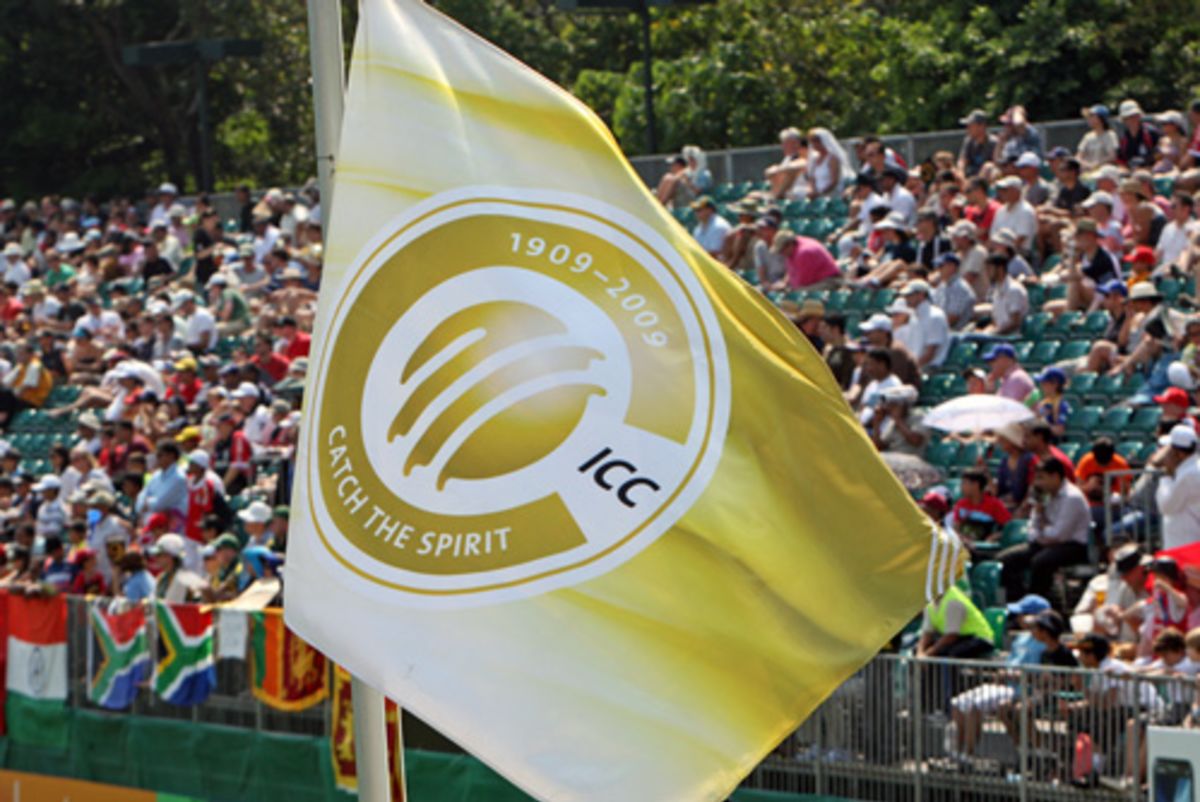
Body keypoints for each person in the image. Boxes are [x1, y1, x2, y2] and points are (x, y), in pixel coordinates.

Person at [999, 458, 1090, 599]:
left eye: (1042, 478)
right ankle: (1015, 598)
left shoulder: (1072, 497)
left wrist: (1042, 527)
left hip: (1072, 546)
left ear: (1055, 477)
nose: (1038, 483)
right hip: (1045, 542)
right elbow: (1032, 527)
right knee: (1007, 559)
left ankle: (1036, 601)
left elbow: (1059, 534)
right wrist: (1039, 533)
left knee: (1041, 561)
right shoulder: (1042, 495)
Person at [1074, 543, 1149, 643]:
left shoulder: (1154, 588)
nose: (1123, 578)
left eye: (1126, 573)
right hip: (1124, 645)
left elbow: (1150, 632)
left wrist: (1124, 615)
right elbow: (1113, 626)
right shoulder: (1125, 587)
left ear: (1139, 569)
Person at [917, 582, 995, 659]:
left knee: (951, 652)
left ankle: (949, 672)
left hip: (980, 639)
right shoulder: (929, 604)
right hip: (959, 639)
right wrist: (919, 653)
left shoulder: (953, 601)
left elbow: (951, 636)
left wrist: (927, 654)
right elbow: (927, 633)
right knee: (917, 649)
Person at [1154, 424, 1200, 550]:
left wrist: (1167, 475)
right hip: (1186, 543)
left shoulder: (1189, 474)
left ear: (1178, 453)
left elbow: (1166, 506)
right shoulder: (1190, 470)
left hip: (1186, 545)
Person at [951, 468, 1012, 549]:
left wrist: (995, 536)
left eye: (964, 483)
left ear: (976, 485)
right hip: (963, 545)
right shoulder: (961, 504)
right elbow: (956, 528)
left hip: (982, 548)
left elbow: (1010, 528)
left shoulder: (994, 504)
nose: (961, 487)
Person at [898, 279, 950, 368]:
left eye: (910, 295)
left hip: (931, 368)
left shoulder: (935, 316)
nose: (906, 298)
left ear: (921, 295)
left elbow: (930, 353)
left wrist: (912, 369)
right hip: (917, 366)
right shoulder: (913, 317)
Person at [769, 231, 840, 290]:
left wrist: (784, 288)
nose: (781, 254)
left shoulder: (803, 253)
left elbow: (803, 282)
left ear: (789, 244)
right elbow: (791, 271)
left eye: (781, 250)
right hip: (816, 282)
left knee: (796, 293)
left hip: (829, 281)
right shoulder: (793, 249)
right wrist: (783, 283)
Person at [977, 255, 1028, 336]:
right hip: (998, 335)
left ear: (1000, 269)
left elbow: (1015, 323)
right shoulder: (996, 291)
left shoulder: (1014, 289)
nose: (987, 273)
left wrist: (994, 333)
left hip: (1011, 337)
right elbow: (995, 323)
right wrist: (984, 332)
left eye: (989, 269)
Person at [931, 252, 976, 330]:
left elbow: (953, 317)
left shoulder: (960, 287)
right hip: (943, 329)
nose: (937, 269)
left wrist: (932, 329)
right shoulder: (943, 285)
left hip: (958, 333)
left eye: (941, 266)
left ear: (952, 267)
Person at [804, 128, 848, 198]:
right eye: (812, 141)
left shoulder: (833, 159)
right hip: (817, 197)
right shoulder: (814, 159)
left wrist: (820, 193)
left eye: (816, 141)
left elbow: (834, 182)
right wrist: (811, 190)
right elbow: (811, 178)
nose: (813, 144)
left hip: (831, 196)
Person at [1116, 99, 1161, 168]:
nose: (1133, 120)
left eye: (1135, 116)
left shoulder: (1151, 132)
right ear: (1124, 120)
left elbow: (1159, 154)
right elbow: (1121, 159)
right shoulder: (1123, 137)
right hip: (1130, 171)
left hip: (1151, 169)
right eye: (1128, 117)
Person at [765, 127, 807, 198]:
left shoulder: (804, 155)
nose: (784, 146)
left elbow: (792, 168)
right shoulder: (787, 158)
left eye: (787, 143)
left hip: (800, 189)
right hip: (788, 190)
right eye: (783, 143)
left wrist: (778, 169)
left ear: (796, 143)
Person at [1077, 104, 1118, 172]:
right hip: (1087, 171)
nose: (1089, 119)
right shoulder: (1087, 137)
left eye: (1092, 116)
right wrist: (1086, 165)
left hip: (1104, 172)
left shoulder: (1110, 135)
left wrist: (1096, 165)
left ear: (1101, 119)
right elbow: (1078, 156)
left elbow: (1112, 156)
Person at [957, 109, 997, 178]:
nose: (968, 129)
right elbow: (963, 160)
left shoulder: (993, 143)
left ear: (982, 126)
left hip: (986, 177)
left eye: (971, 126)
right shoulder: (969, 141)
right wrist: (960, 173)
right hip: (970, 174)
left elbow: (996, 164)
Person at [1033, 368, 1071, 438]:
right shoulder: (1044, 403)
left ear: (1055, 384)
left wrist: (1042, 425)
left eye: (1044, 382)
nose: (1041, 385)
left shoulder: (1062, 405)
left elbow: (1059, 430)